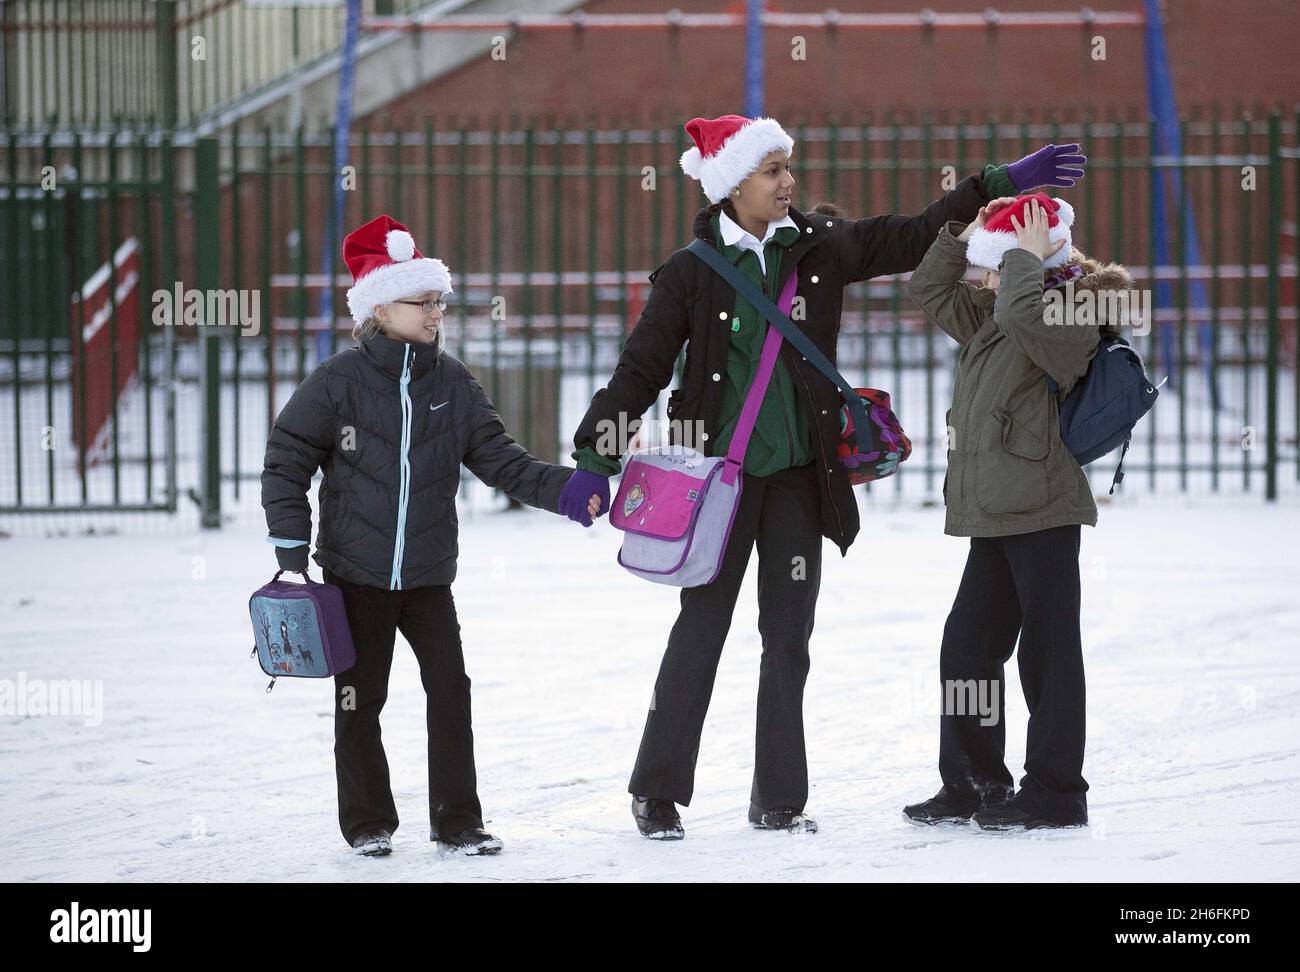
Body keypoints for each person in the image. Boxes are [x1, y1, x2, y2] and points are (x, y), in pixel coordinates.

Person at [558, 114, 1087, 839]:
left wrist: (998, 184)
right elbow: (640, 370)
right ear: (731, 184)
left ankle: (779, 798)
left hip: (801, 482)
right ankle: (657, 790)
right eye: (772, 171)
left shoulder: (820, 251)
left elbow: (914, 233)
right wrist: (595, 457)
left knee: (788, 639)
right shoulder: (689, 273)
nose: (788, 182)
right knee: (701, 630)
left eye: (787, 167)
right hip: (717, 485)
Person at [261, 214, 601, 857]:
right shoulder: (338, 383)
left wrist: (566, 491)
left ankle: (458, 821)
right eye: (424, 302)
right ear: (381, 307)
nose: (436, 312)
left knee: (451, 689)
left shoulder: (452, 385)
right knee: (362, 698)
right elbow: (286, 459)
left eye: (440, 300)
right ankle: (367, 823)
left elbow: (503, 461)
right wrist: (289, 547)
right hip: (355, 573)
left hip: (427, 575)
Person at [903, 194, 1131, 831]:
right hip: (996, 513)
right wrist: (967, 234)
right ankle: (974, 784)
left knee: (1048, 656)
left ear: (1036, 254)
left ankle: (1057, 794)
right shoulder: (999, 312)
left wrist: (1023, 260)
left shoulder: (1078, 308)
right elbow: (929, 287)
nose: (988, 276)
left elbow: (1031, 317)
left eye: (998, 263)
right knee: (967, 652)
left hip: (1043, 508)